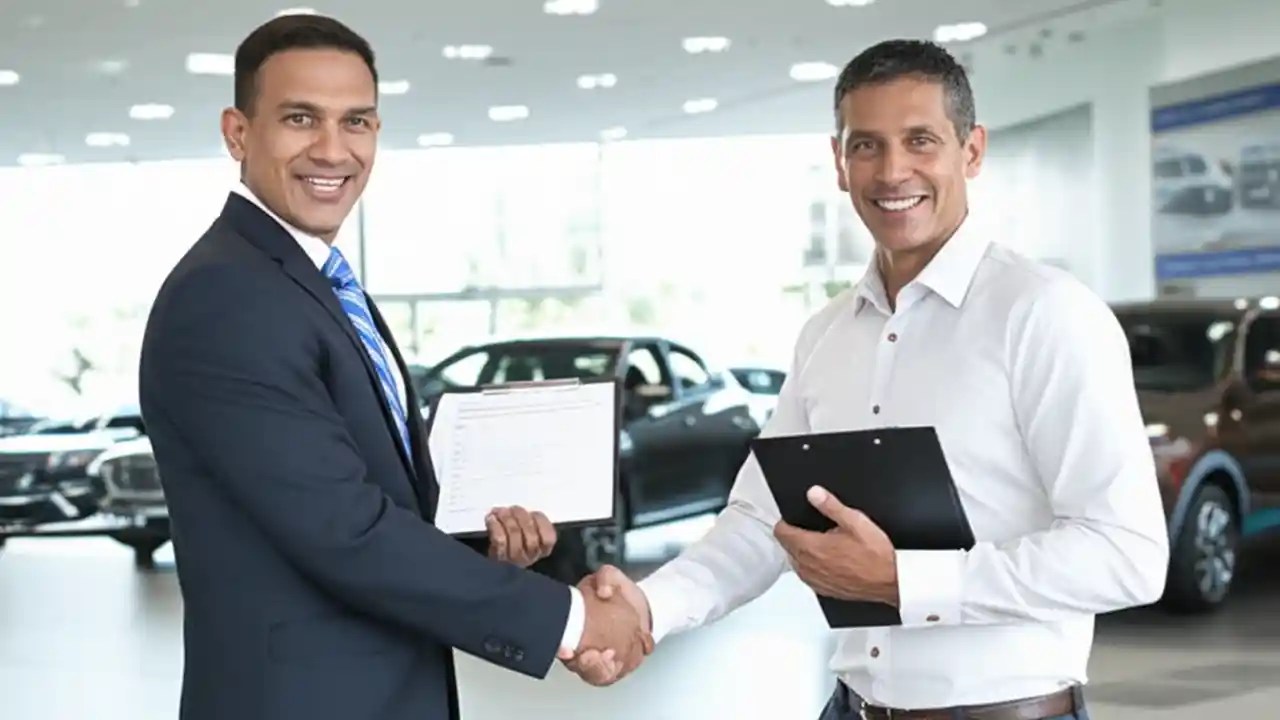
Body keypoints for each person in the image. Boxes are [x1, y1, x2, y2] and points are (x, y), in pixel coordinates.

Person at [565, 39, 1170, 719]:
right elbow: (760, 519)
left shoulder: (1045, 314)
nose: (892, 171)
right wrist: (648, 607)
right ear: (838, 161)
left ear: (971, 152)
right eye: (866, 146)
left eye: (920, 140)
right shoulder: (827, 335)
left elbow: (1127, 555)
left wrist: (905, 581)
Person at [138, 14, 647, 720]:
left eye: (358, 122)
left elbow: (363, 500)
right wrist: (570, 619)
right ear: (237, 132)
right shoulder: (227, 296)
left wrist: (482, 546)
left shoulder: (314, 283)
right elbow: (342, 531)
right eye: (299, 118)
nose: (333, 149)